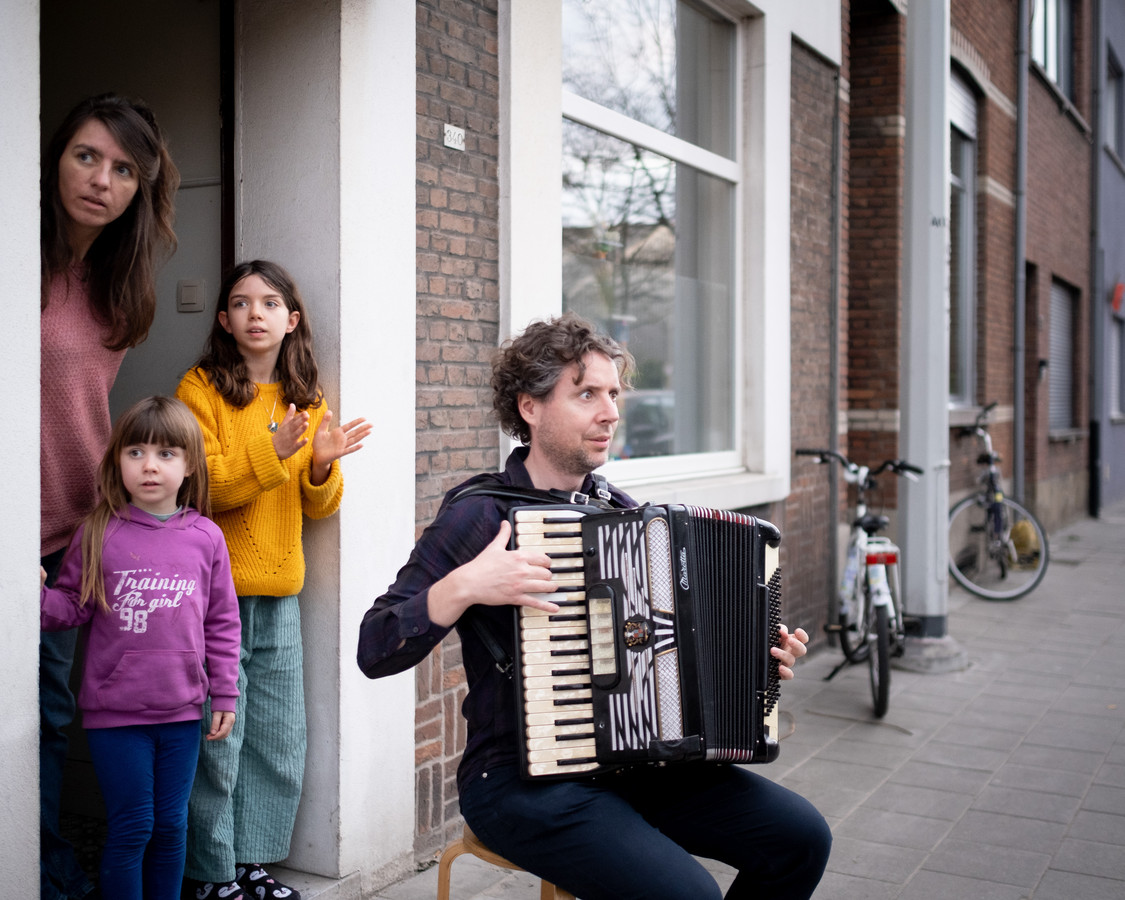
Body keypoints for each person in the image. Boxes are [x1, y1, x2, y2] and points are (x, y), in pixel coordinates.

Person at [357, 312, 832, 900]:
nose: (609, 412)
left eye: (612, 393)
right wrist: (465, 585)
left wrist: (755, 655)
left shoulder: (619, 511)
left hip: (636, 763)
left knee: (802, 838)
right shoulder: (480, 515)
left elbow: (678, 634)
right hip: (518, 783)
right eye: (586, 395)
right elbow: (375, 647)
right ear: (530, 407)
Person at [175, 260, 372, 900]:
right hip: (214, 600)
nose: (254, 313)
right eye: (239, 302)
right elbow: (199, 486)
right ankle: (210, 872)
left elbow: (319, 508)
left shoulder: (307, 405)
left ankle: (250, 864)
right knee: (218, 742)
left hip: (281, 595)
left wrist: (318, 464)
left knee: (277, 740)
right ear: (225, 320)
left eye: (268, 303)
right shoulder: (199, 390)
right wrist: (276, 452)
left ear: (292, 321)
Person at [40, 92, 180, 900]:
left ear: (140, 188)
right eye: (86, 156)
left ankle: (50, 871)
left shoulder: (119, 290)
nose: (100, 179)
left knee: (52, 717)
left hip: (72, 529)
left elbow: (80, 409)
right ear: (56, 157)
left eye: (124, 169)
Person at [40, 396, 241, 900]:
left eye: (167, 454)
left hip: (181, 714)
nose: (150, 465)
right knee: (133, 827)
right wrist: (32, 594)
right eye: (135, 452)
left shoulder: (207, 538)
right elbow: (70, 608)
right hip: (116, 717)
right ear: (116, 462)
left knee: (172, 828)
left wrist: (225, 695)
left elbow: (222, 623)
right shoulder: (97, 532)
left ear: (190, 463)